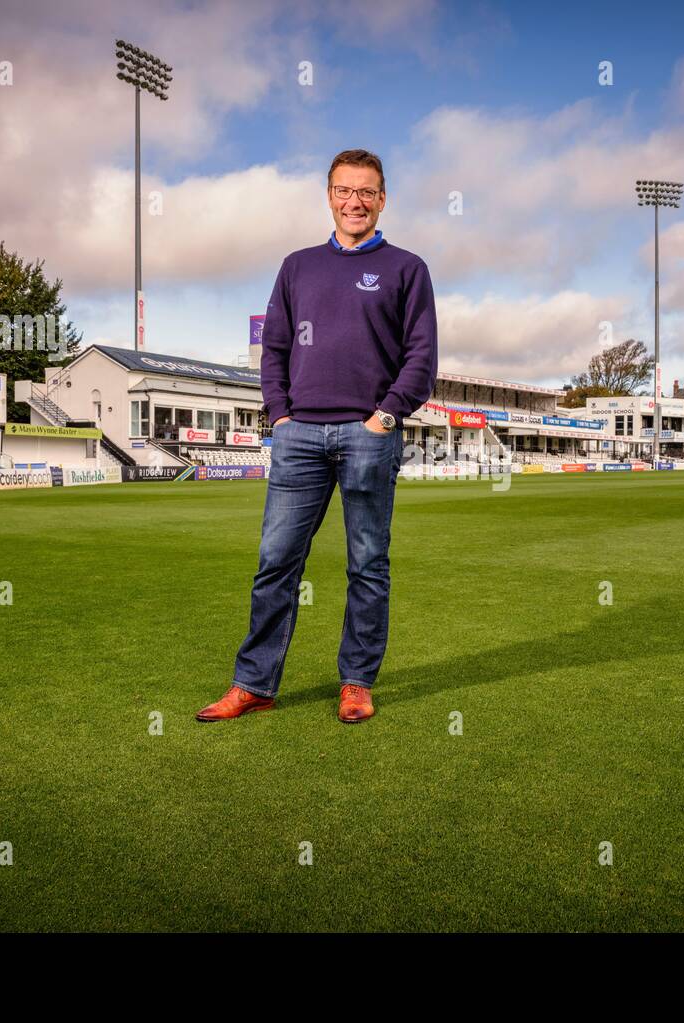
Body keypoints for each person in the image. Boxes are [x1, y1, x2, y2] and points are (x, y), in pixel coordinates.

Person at [197, 149, 438, 726]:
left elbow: (422, 357)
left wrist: (384, 416)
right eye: (344, 190)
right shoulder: (297, 266)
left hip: (368, 435)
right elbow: (274, 349)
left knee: (367, 564)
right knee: (276, 561)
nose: (354, 201)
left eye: (366, 192)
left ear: (383, 200)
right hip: (299, 435)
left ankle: (356, 683)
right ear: (328, 195)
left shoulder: (407, 267)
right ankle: (254, 684)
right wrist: (279, 416)